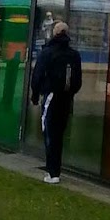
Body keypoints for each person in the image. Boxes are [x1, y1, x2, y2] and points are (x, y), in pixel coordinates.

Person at [30, 20, 82, 184]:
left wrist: (35, 95)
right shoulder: (74, 55)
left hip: (51, 95)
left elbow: (37, 75)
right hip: (66, 98)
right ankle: (54, 170)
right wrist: (70, 93)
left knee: (50, 132)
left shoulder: (48, 52)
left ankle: (52, 171)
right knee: (58, 133)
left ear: (54, 33)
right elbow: (78, 81)